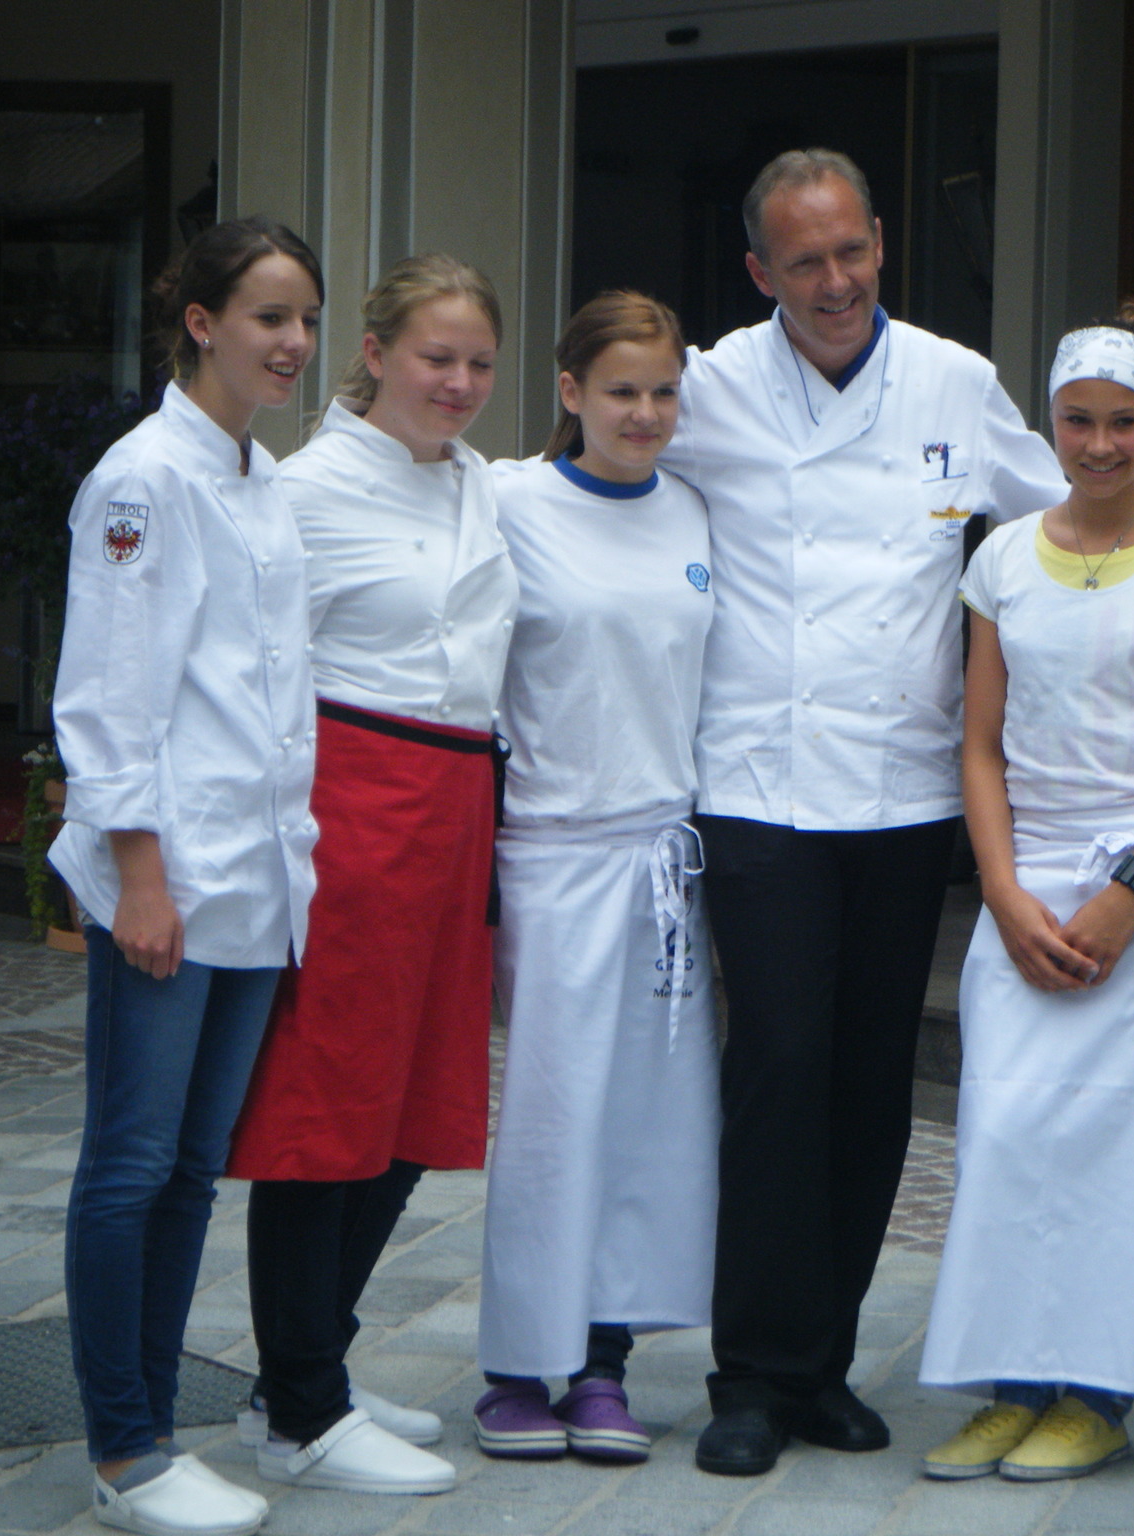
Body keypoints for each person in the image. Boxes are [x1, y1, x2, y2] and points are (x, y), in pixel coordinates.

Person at [658, 148, 1068, 1477]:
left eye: (851, 253)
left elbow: (1058, 527)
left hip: (903, 789)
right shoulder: (709, 385)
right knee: (776, 1068)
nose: (833, 283)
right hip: (761, 790)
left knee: (871, 1080)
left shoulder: (954, 381)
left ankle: (821, 1360)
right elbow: (596, 480)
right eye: (803, 262)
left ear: (881, 243)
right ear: (758, 272)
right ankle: (750, 1371)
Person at [917, 314, 1134, 1482]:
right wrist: (1002, 895)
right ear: (1049, 425)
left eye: (1122, 422)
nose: (1099, 444)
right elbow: (977, 748)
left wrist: (1127, 895)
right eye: (1078, 420)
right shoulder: (1001, 557)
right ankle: (1011, 1386)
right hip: (1029, 883)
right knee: (1011, 1136)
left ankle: (1099, 1394)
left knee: (1128, 1142)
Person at [224, 254, 516, 1496]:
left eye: (477, 365)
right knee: (321, 1113)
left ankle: (310, 1364)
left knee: (410, 1106)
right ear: (379, 354)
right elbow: (251, 676)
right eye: (434, 357)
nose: (455, 383)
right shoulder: (301, 493)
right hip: (345, 805)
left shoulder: (488, 490)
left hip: (456, 808)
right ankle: (298, 1408)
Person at [51, 216, 322, 1535]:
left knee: (189, 1166)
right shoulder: (143, 480)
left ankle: (156, 1429)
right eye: (270, 316)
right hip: (170, 876)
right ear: (200, 321)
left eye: (308, 320)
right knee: (131, 1162)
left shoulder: (261, 477)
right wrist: (139, 878)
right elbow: (108, 702)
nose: (295, 343)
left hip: (255, 885)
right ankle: (124, 1449)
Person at [472, 291, 720, 1464]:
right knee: (553, 1118)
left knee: (646, 1123)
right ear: (569, 392)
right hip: (554, 853)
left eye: (663, 391)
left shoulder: (694, 515)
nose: (644, 413)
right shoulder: (512, 503)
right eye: (620, 390)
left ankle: (607, 1361)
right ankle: (521, 1366)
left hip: (662, 857)